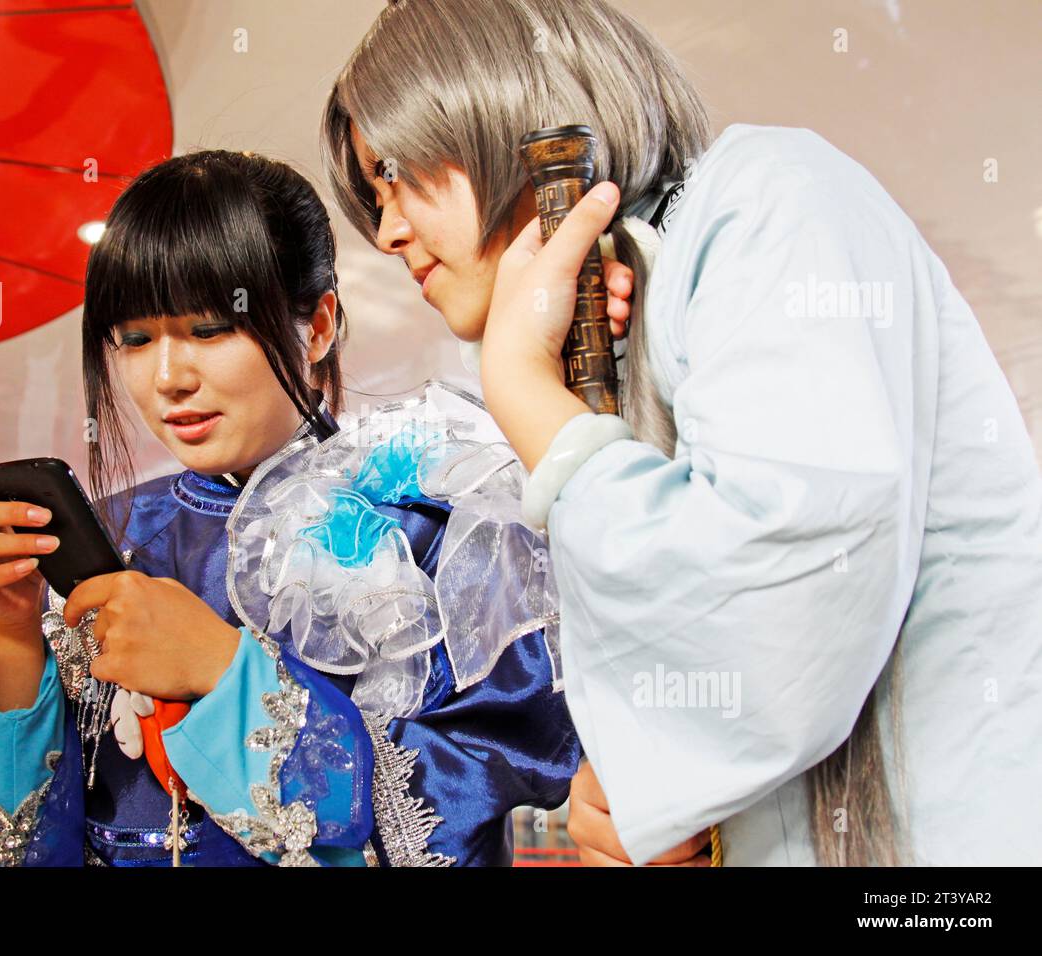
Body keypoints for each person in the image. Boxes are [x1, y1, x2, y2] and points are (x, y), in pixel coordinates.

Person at [321, 0, 1042, 865]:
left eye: (394, 171)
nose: (388, 227)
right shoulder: (626, 331)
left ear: (496, 101)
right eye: (372, 196)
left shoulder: (772, 196)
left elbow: (775, 626)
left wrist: (519, 385)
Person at [0, 149, 581, 866]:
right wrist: (11, 635)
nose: (167, 378)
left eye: (210, 329)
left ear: (316, 328)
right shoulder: (98, 543)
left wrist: (224, 673)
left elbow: (440, 828)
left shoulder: (439, 534)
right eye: (133, 339)